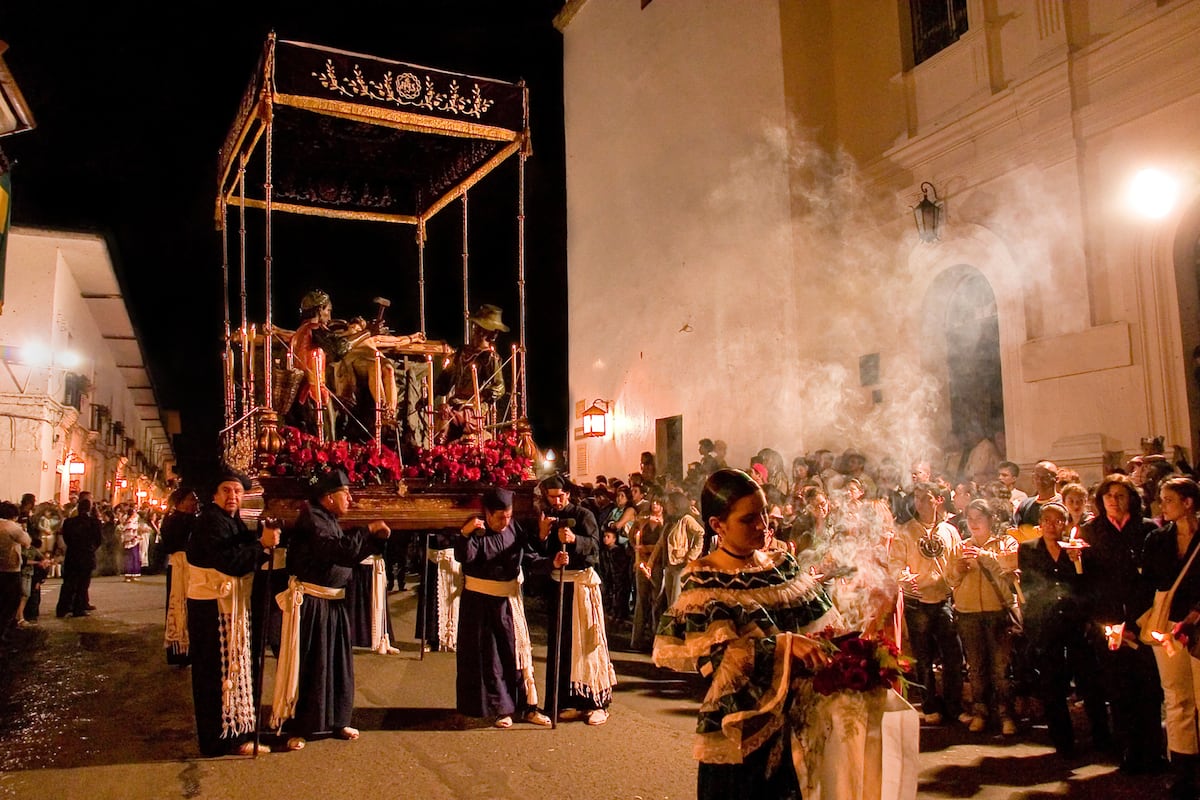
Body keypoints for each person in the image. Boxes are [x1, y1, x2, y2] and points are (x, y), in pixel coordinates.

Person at [654, 469, 840, 799]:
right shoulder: (705, 581)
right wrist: (786, 645)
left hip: (796, 725)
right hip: (741, 731)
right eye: (749, 518)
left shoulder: (782, 565)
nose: (763, 524)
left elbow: (825, 627)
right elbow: (719, 661)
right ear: (717, 525)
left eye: (765, 512)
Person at [271, 468, 390, 750]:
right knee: (310, 665)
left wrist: (377, 540)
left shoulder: (329, 519)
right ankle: (299, 727)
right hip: (311, 603)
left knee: (337, 663)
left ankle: (337, 719)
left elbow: (350, 555)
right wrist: (367, 530)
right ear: (328, 497)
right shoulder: (312, 518)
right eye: (344, 493)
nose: (350, 497)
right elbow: (340, 551)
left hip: (333, 602)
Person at [186, 468, 281, 757]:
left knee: (236, 670)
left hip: (231, 608)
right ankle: (218, 740)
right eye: (227, 490)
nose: (233, 496)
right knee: (217, 673)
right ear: (214, 494)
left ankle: (237, 732)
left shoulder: (232, 521)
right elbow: (230, 562)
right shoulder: (210, 522)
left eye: (238, 491)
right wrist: (262, 547)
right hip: (213, 611)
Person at [1080, 474, 1165, 775]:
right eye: (1108, 496)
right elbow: (1087, 582)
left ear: (1131, 498)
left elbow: (1156, 577)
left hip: (1144, 620)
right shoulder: (1090, 533)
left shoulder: (1146, 530)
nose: (1114, 501)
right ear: (1101, 501)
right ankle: (1128, 749)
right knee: (1119, 688)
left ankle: (1154, 750)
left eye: (1120, 495)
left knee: (1149, 688)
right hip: (1110, 622)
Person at [454, 487, 552, 729]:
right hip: (481, 605)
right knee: (492, 658)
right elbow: (464, 556)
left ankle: (527, 706)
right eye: (499, 517)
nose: (504, 522)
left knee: (517, 653)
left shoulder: (513, 528)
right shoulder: (476, 532)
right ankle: (501, 709)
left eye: (508, 516)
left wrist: (550, 562)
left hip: (508, 602)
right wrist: (465, 535)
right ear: (487, 514)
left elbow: (526, 556)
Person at [1018, 501, 1108, 758]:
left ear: (1066, 524)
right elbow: (1029, 585)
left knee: (1088, 680)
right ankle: (1062, 740)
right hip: (1047, 625)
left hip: (1076, 623)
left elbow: (1088, 586)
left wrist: (1077, 565)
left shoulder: (1077, 549)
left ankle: (1101, 735)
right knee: (1052, 683)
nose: (1050, 525)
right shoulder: (1029, 549)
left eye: (1057, 521)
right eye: (1046, 520)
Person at [535, 474, 615, 725]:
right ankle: (566, 701)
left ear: (568, 494)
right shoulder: (546, 518)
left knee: (587, 643)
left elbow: (594, 545)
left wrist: (574, 540)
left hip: (581, 585)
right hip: (559, 587)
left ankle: (596, 703)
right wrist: (542, 535)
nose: (557, 501)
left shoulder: (584, 515)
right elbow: (537, 552)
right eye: (552, 497)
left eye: (561, 496)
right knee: (562, 644)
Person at [889, 482, 966, 725]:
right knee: (922, 658)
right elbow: (895, 564)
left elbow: (956, 561)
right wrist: (904, 578)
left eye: (926, 498)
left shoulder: (950, 531)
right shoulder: (905, 532)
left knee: (953, 655)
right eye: (917, 498)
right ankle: (930, 704)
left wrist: (955, 580)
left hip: (942, 599)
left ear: (938, 500)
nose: (920, 502)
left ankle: (955, 706)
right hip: (917, 601)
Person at [1144, 476, 1200, 796]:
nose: (1162, 506)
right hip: (1168, 628)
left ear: (1187, 502)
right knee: (1177, 697)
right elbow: (1151, 581)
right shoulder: (1158, 539)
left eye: (1168, 499)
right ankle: (1182, 770)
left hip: (1198, 626)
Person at [952, 499, 1018, 735]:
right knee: (976, 667)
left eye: (979, 518)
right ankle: (980, 711)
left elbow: (1009, 577)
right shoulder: (961, 546)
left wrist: (986, 558)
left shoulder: (1005, 543)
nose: (973, 523)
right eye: (969, 519)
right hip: (968, 612)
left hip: (996, 611)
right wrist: (958, 571)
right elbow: (951, 581)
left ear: (990, 519)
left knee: (1001, 667)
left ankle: (1006, 713)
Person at [433, 304, 508, 444]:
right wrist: (429, 395)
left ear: (487, 333)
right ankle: (439, 447)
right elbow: (445, 380)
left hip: (474, 408)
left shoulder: (489, 358)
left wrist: (480, 397)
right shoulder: (461, 354)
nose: (475, 330)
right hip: (455, 404)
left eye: (479, 327)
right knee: (443, 411)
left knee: (453, 416)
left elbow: (499, 386)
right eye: (475, 327)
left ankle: (444, 444)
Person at [160, 488, 198, 665]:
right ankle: (179, 650)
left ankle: (186, 649)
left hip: (186, 566)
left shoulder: (183, 519)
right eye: (191, 500)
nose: (194, 503)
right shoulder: (177, 520)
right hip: (179, 566)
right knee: (178, 605)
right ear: (180, 502)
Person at [56, 496, 102, 619]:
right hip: (86, 555)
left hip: (72, 554)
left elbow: (66, 538)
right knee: (83, 584)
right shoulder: (94, 523)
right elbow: (98, 540)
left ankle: (62, 608)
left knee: (68, 583)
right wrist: (91, 548)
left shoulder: (69, 522)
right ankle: (78, 608)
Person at [0, 502, 31, 642]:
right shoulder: (11, 527)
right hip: (10, 568)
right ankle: (4, 629)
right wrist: (22, 529)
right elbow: (26, 541)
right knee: (11, 600)